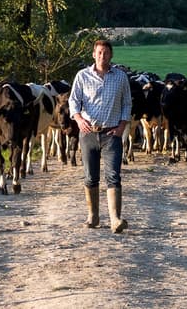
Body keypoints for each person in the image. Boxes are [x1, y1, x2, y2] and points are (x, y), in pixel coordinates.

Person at [69, 38, 132, 233]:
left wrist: (121, 127)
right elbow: (73, 101)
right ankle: (93, 216)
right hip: (88, 133)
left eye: (106, 53)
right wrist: (79, 120)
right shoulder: (82, 76)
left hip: (112, 133)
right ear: (93, 55)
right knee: (90, 177)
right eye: (99, 52)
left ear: (111, 55)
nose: (102, 56)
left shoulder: (120, 77)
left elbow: (127, 103)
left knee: (113, 176)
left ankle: (115, 219)